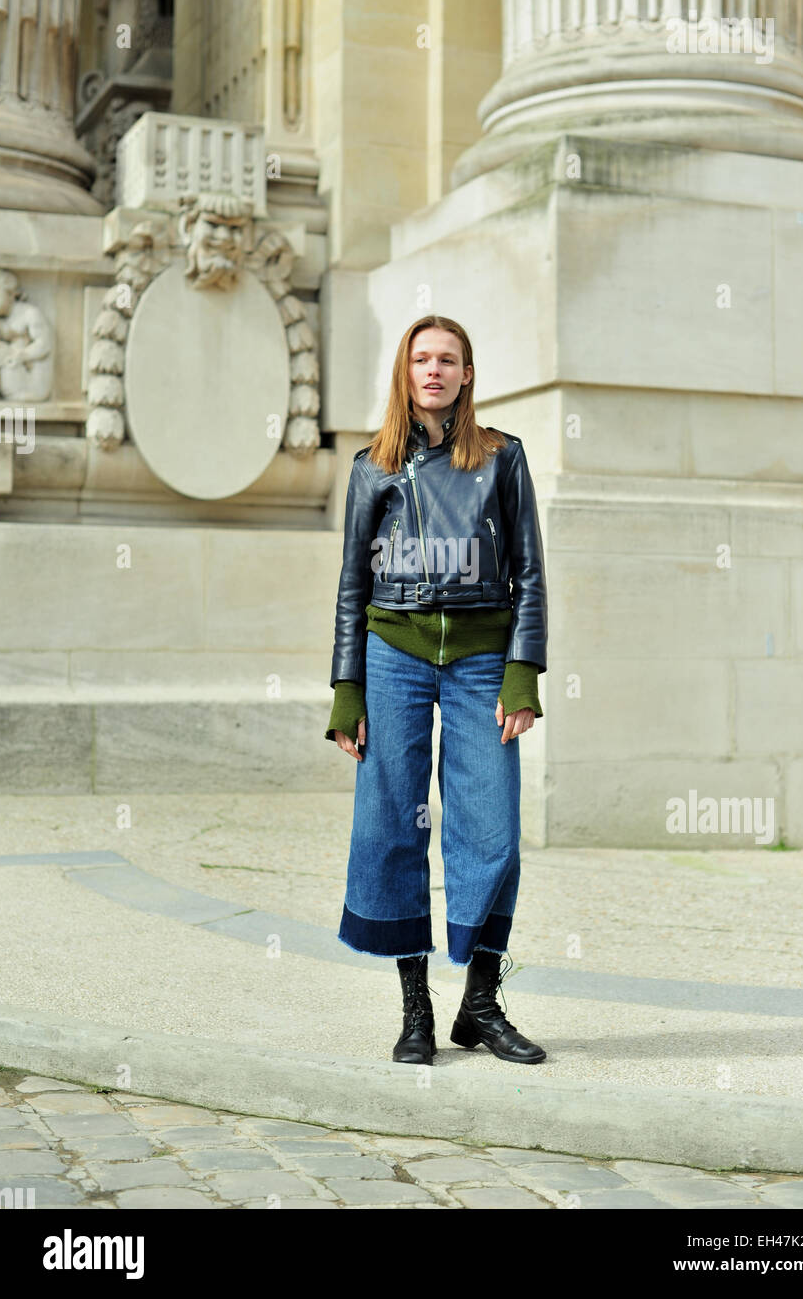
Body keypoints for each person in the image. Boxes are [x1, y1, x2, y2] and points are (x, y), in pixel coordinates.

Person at [325, 313, 548, 1067]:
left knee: (492, 828)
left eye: (447, 359)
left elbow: (530, 572)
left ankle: (480, 1007)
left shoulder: (501, 458)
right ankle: (415, 1011)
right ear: (405, 372)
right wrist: (345, 690)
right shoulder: (371, 468)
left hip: (483, 659)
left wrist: (523, 672)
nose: (433, 370)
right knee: (390, 821)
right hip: (393, 653)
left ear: (466, 375)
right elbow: (352, 587)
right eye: (421, 359)